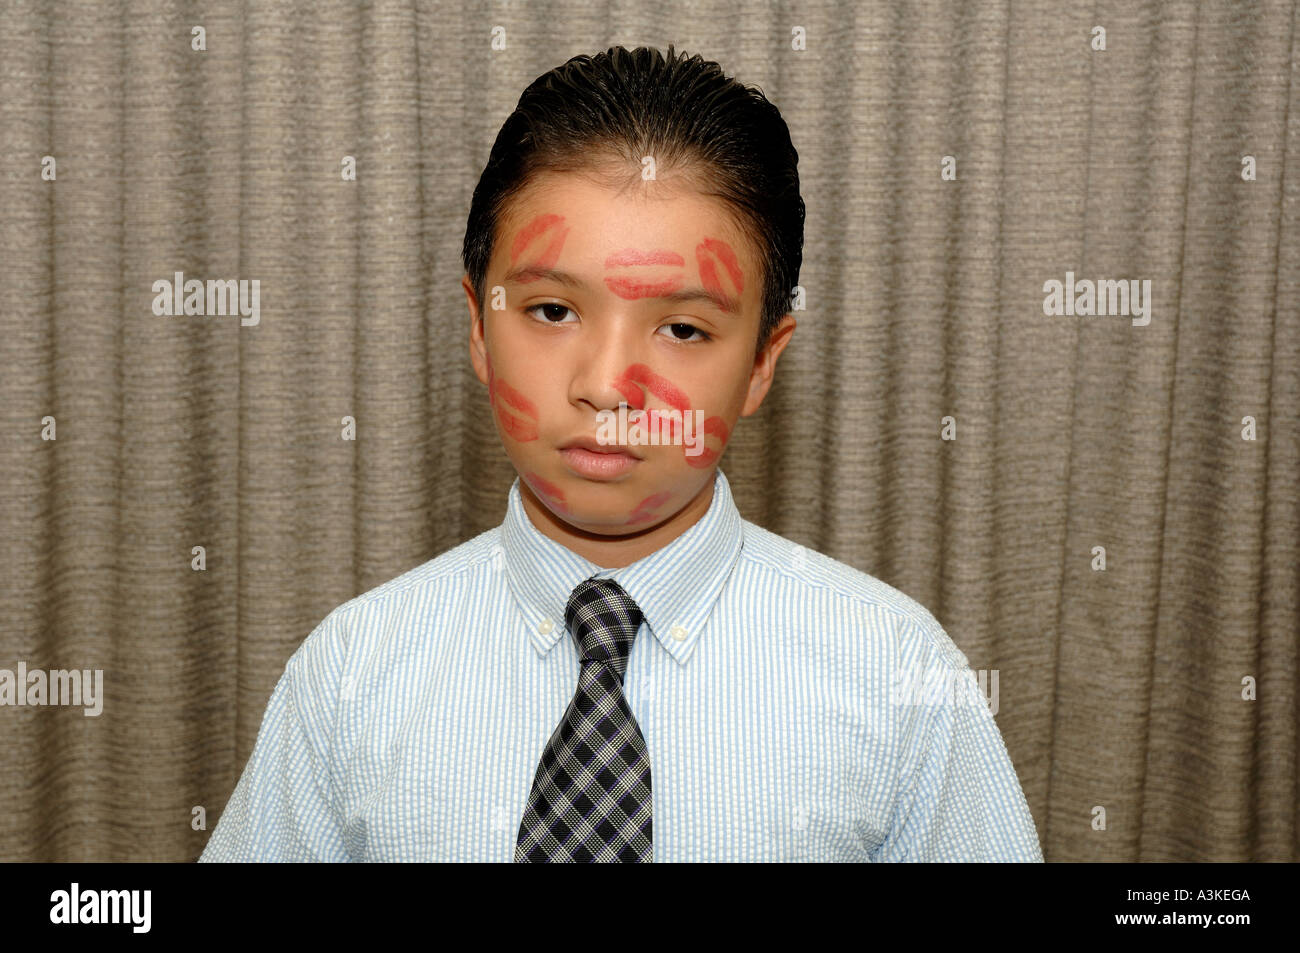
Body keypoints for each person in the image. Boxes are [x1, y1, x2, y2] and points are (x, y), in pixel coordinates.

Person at [200, 44, 1043, 862]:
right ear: (478, 328)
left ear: (760, 363)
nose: (608, 386)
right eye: (552, 312)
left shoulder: (897, 674)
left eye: (683, 328)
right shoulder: (353, 670)